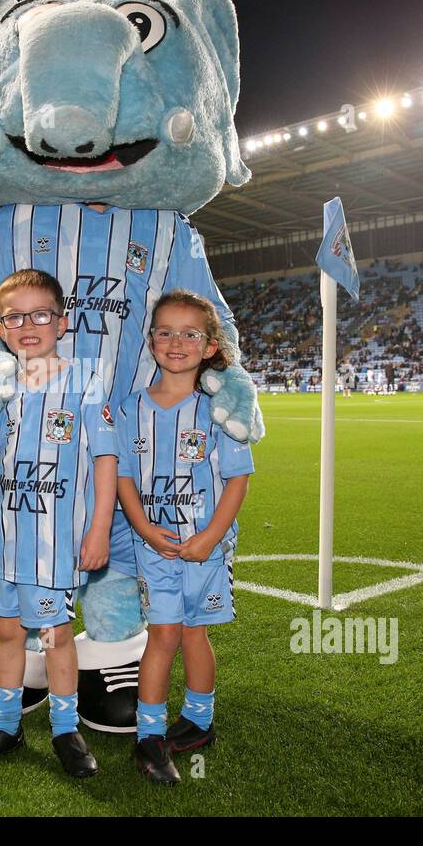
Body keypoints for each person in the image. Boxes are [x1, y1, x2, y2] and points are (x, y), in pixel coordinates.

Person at [0, 270, 116, 777]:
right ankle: (6, 725)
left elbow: (106, 461)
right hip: (7, 541)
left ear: (62, 323)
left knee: (57, 637)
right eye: (15, 317)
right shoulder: (1, 390)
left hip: (57, 542)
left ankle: (65, 730)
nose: (28, 325)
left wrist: (100, 528)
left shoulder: (86, 381)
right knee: (8, 632)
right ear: (1, 329)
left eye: (40, 314)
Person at [116, 290, 253, 785]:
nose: (177, 342)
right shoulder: (130, 409)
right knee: (163, 633)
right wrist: (146, 529)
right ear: (151, 341)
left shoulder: (221, 410)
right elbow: (124, 479)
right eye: (165, 332)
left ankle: (199, 720)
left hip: (207, 549)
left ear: (211, 345)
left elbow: (238, 479)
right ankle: (149, 737)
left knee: (195, 630)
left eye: (190, 333)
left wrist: (211, 537)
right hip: (153, 544)